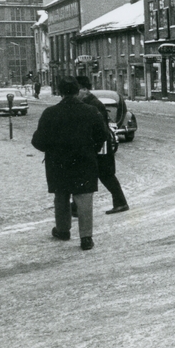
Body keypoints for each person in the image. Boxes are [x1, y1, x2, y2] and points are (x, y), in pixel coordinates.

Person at [31, 76, 111, 251]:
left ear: (60, 92)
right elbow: (102, 135)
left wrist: (51, 149)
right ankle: (86, 237)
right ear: (77, 91)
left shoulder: (50, 113)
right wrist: (92, 149)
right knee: (84, 198)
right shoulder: (91, 111)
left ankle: (63, 230)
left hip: (58, 163)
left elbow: (38, 141)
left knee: (61, 196)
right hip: (85, 161)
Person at [76, 75, 129, 215]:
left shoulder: (92, 104)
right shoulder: (90, 102)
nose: (76, 95)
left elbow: (99, 128)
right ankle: (120, 202)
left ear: (85, 90)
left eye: (78, 91)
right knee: (99, 175)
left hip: (101, 145)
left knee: (106, 175)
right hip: (100, 144)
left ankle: (121, 203)